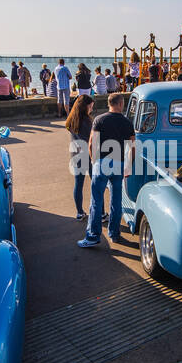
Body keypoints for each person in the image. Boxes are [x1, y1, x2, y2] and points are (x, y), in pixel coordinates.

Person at [78, 92, 135, 248]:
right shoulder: (127, 123)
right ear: (121, 104)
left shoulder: (99, 119)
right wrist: (128, 166)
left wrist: (93, 160)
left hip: (102, 162)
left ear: (109, 103)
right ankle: (114, 234)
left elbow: (91, 143)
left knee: (96, 200)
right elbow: (132, 147)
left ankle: (93, 236)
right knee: (116, 200)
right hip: (119, 163)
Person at [64, 94, 95, 220]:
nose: (92, 108)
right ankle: (101, 212)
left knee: (78, 184)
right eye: (91, 106)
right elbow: (90, 141)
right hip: (88, 156)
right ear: (85, 106)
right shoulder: (86, 121)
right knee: (96, 184)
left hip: (76, 154)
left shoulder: (71, 119)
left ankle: (79, 212)